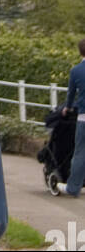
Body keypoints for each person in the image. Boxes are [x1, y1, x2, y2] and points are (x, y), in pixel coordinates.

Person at [56, 38, 85, 196]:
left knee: (80, 153)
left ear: (80, 51)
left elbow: (71, 94)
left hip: (84, 116)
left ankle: (73, 188)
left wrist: (67, 108)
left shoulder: (76, 71)